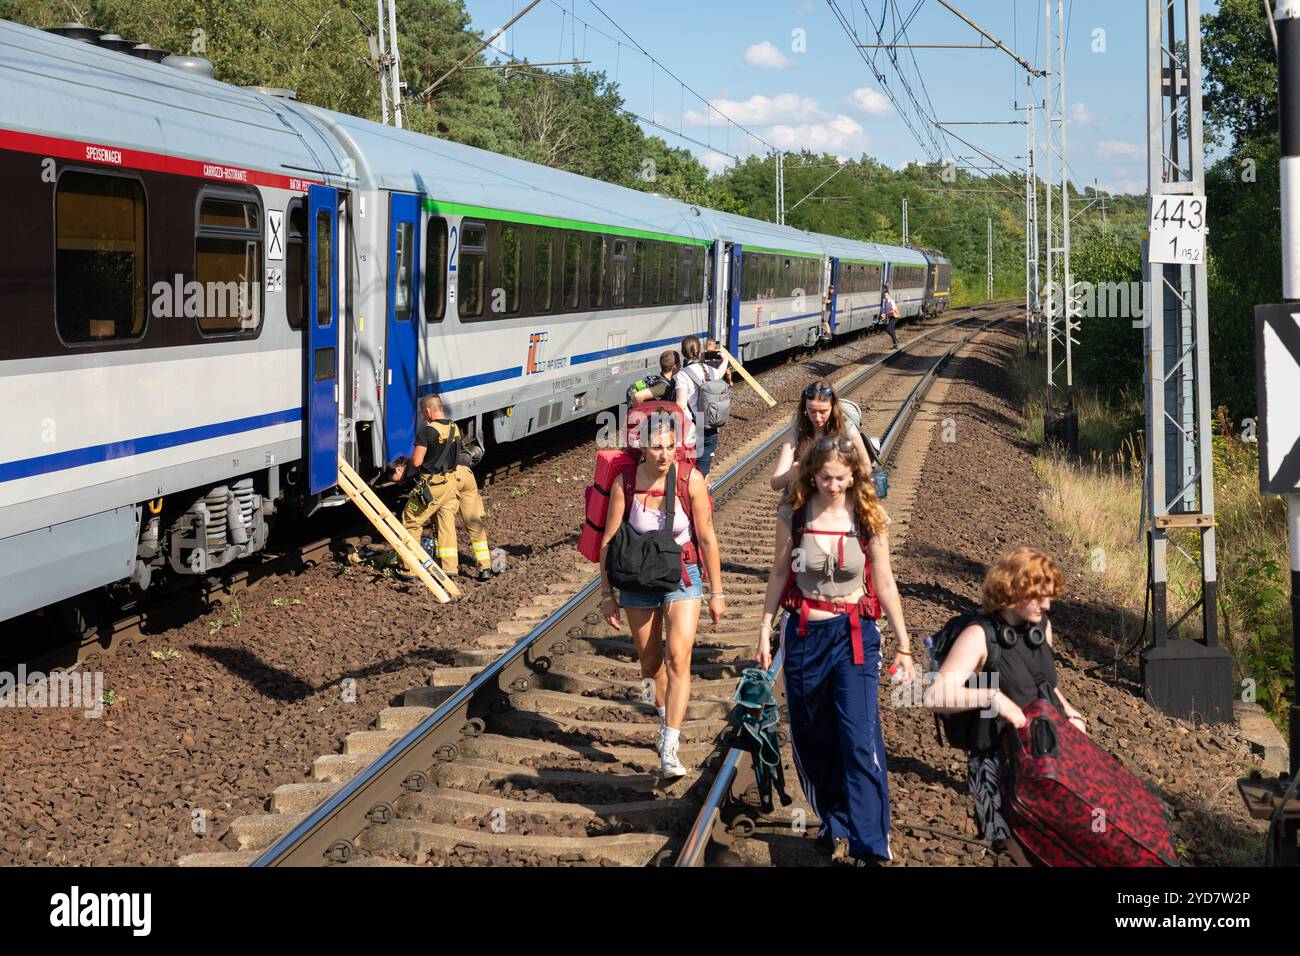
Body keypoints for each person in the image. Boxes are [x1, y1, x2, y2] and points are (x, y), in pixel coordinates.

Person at [758, 436, 914, 865]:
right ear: (812, 474)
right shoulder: (793, 514)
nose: (832, 486)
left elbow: (884, 583)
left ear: (853, 477)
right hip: (806, 634)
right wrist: (764, 628)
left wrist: (904, 644)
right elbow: (777, 574)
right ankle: (834, 819)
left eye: (840, 479)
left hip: (855, 638)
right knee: (813, 736)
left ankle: (869, 844)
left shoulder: (867, 517)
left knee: (859, 739)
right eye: (824, 477)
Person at [924, 547, 1086, 854]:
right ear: (1013, 590)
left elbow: (1044, 683)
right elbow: (934, 696)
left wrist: (1069, 711)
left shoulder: (1042, 627)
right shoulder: (978, 635)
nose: (1047, 604)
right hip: (995, 761)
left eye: (1049, 596)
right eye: (1039, 596)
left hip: (1044, 752)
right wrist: (992, 696)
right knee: (1018, 846)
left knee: (1059, 843)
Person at [598, 414, 725, 778]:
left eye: (672, 446)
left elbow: (706, 538)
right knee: (651, 665)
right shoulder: (626, 483)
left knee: (677, 657)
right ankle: (664, 711)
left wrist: (716, 593)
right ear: (641, 446)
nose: (665, 454)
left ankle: (670, 744)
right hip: (637, 581)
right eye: (657, 446)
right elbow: (609, 541)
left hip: (683, 575)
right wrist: (607, 594)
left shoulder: (691, 480)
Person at [392, 394, 494, 582]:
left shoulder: (427, 431)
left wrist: (405, 472)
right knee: (470, 522)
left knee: (411, 521)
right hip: (460, 477)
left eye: (424, 412)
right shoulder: (454, 426)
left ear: (429, 410)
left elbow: (417, 461)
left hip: (437, 483)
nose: (424, 416)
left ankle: (410, 569)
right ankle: (482, 567)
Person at [770, 380, 874, 492]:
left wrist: (846, 477)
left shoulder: (848, 430)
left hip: (839, 493)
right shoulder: (795, 437)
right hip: (805, 496)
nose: (817, 417)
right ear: (805, 409)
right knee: (784, 510)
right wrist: (790, 474)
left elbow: (866, 468)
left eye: (823, 411)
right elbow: (775, 484)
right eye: (812, 411)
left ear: (833, 408)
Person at [675, 335, 726, 477]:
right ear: (700, 350)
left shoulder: (682, 375)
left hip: (692, 430)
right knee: (703, 472)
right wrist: (725, 359)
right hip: (710, 427)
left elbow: (680, 405)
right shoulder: (711, 370)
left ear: (683, 353)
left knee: (686, 473)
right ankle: (703, 496)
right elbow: (721, 371)